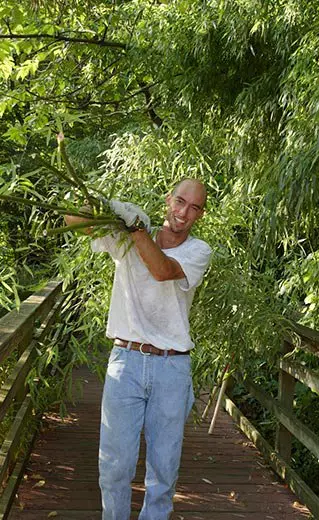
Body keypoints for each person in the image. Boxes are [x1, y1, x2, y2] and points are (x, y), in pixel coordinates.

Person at [65, 178, 212, 520]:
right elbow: (74, 222)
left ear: (200, 215)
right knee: (114, 467)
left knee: (163, 472)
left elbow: (162, 270)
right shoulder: (128, 236)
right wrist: (96, 204)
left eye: (194, 207)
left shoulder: (197, 251)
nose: (184, 212)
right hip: (125, 362)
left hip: (171, 369)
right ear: (167, 200)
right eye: (179, 201)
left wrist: (135, 228)